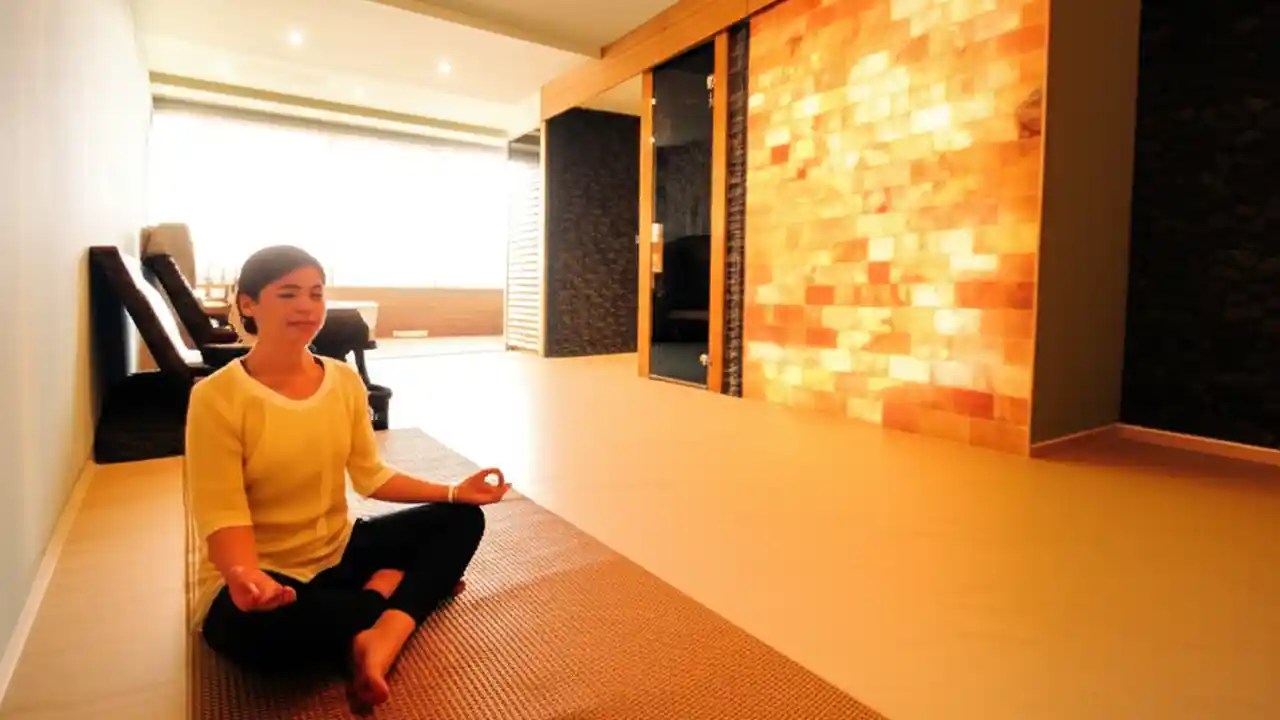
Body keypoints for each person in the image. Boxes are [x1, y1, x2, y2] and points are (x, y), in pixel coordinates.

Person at [184, 245, 509, 708]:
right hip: (263, 574)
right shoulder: (216, 397)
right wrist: (243, 574)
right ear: (248, 304)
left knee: (462, 520)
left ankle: (382, 634)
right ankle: (385, 594)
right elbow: (221, 511)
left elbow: (370, 476)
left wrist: (456, 491)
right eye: (288, 294)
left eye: (316, 294)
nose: (306, 306)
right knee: (259, 634)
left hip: (338, 550)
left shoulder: (343, 381)